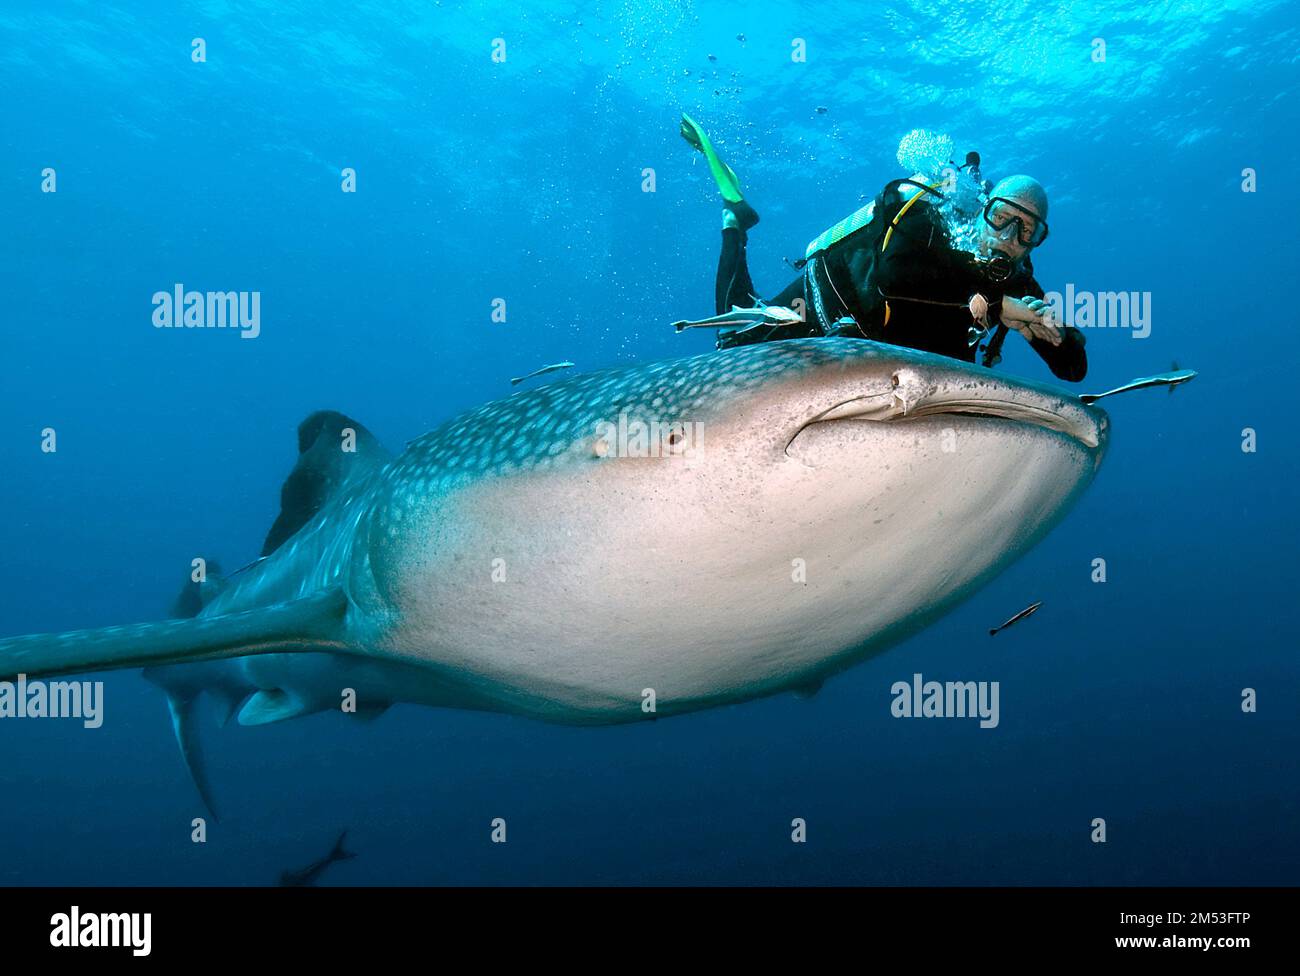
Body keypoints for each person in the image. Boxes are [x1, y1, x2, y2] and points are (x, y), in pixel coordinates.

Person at [679, 114, 1087, 382]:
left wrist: (1056, 334)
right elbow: (896, 279)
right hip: (828, 306)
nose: (1009, 237)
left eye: (1027, 231)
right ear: (982, 210)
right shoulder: (933, 224)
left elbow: (1073, 371)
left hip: (884, 364)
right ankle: (734, 217)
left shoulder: (1018, 283)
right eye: (1001, 217)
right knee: (732, 341)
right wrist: (998, 307)